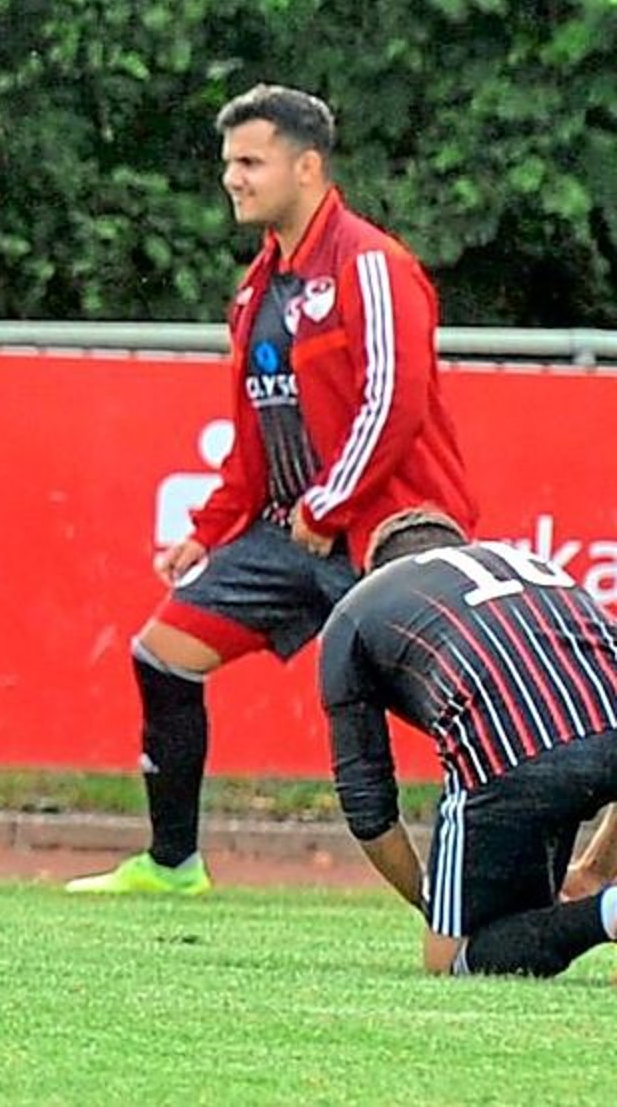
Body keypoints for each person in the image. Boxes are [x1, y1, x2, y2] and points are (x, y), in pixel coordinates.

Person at [68, 84, 475, 897]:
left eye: (251, 161)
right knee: (164, 655)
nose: (234, 178)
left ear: (308, 166)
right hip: (294, 537)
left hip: (387, 535)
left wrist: (327, 508)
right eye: (229, 163)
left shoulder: (373, 265)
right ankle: (173, 864)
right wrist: (209, 531)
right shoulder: (259, 290)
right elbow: (257, 435)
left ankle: (524, 852)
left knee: (459, 707)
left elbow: (393, 403)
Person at [318, 510, 617, 977]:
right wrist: (596, 870)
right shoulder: (529, 562)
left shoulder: (355, 612)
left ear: (374, 571)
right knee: (527, 923)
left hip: (509, 754)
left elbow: (367, 804)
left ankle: (609, 911)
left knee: (452, 960)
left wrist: (434, 902)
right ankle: (603, 900)